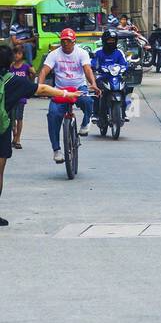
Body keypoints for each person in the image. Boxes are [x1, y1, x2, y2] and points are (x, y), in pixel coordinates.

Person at [0, 40, 82, 225]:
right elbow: (42, 88)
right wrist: (67, 94)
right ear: (9, 63)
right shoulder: (15, 81)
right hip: (2, 131)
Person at [38, 29, 99, 163]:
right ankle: (56, 150)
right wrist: (39, 87)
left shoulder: (81, 53)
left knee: (88, 101)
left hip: (78, 88)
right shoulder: (54, 54)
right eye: (63, 41)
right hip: (60, 90)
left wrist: (93, 83)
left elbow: (87, 69)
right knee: (53, 115)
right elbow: (44, 71)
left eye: (68, 41)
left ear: (74, 41)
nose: (65, 44)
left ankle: (86, 122)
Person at [91, 28, 132, 123]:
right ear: (104, 41)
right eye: (109, 40)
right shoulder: (98, 52)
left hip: (117, 77)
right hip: (102, 77)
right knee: (97, 92)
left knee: (125, 90)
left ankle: (124, 112)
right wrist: (94, 66)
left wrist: (126, 67)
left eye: (113, 40)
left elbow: (124, 63)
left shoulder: (119, 52)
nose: (111, 42)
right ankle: (95, 113)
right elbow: (93, 62)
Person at [9, 40, 32, 149]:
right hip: (11, 96)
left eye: (19, 53)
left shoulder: (26, 67)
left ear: (22, 55)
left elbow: (32, 76)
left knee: (19, 117)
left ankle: (18, 138)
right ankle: (14, 136)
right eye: (15, 53)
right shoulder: (11, 67)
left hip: (21, 96)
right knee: (12, 118)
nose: (16, 55)